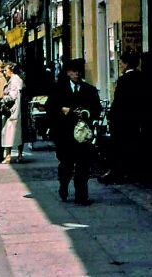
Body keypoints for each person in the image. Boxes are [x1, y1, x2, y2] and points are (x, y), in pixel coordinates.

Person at [47, 58, 102, 206]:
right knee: (66, 165)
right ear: (68, 73)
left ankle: (81, 196)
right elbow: (49, 108)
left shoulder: (89, 89)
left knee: (83, 166)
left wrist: (87, 113)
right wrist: (63, 110)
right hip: (64, 135)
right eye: (74, 71)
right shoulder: (59, 89)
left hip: (83, 135)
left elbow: (97, 109)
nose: (77, 74)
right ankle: (63, 186)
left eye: (79, 71)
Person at [101, 51, 144, 184]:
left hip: (122, 119)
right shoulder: (141, 77)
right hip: (136, 119)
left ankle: (118, 172)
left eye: (121, 62)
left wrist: (111, 115)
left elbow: (119, 101)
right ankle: (133, 172)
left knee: (119, 147)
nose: (119, 64)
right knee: (133, 145)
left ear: (126, 64)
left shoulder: (124, 79)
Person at [0, 62, 25, 164]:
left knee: (8, 134)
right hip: (17, 111)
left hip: (12, 111)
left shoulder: (14, 80)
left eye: (6, 70)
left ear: (11, 70)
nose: (5, 72)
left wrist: (3, 98)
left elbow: (12, 96)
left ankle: (8, 156)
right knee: (18, 134)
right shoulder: (17, 79)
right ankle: (19, 155)